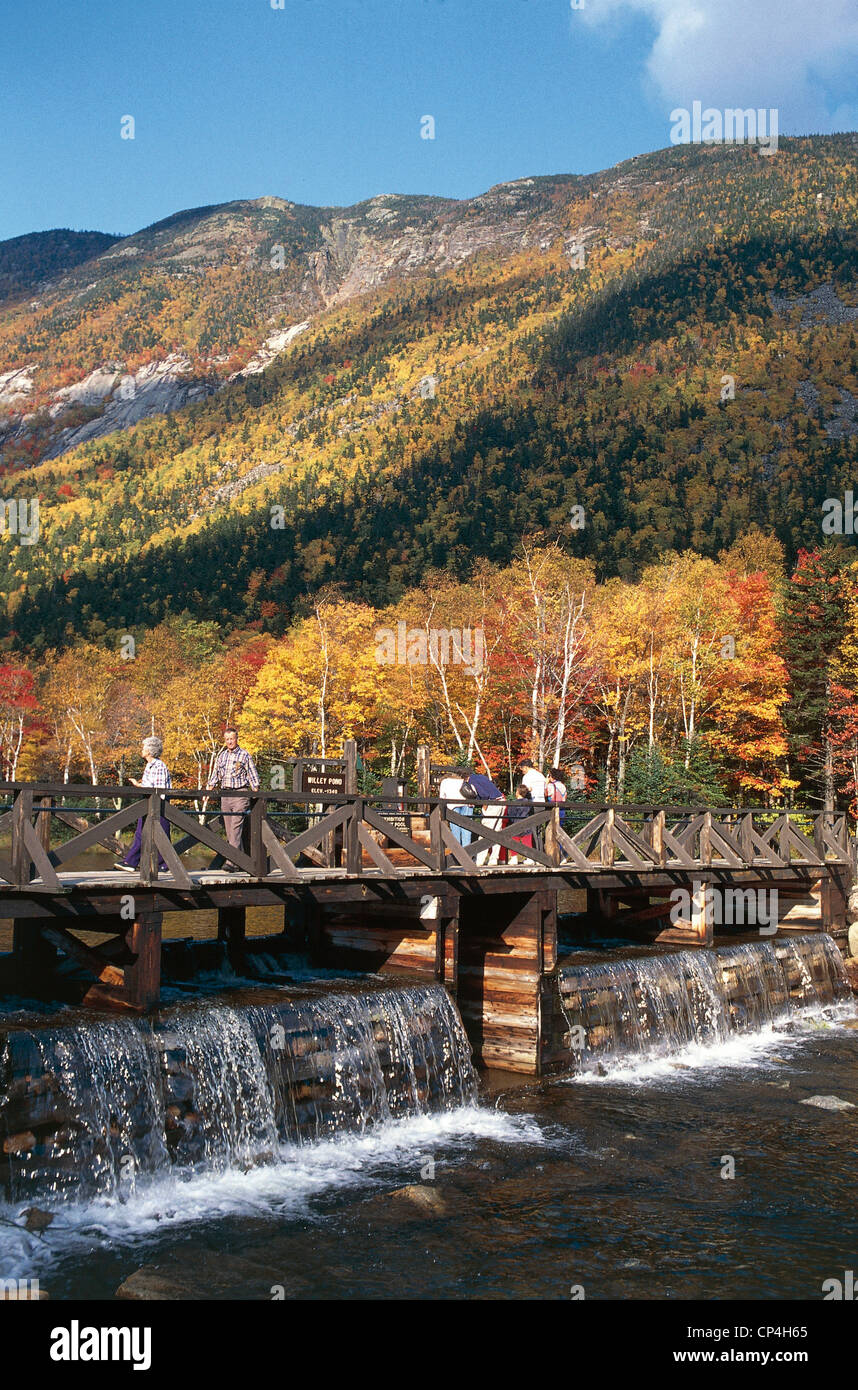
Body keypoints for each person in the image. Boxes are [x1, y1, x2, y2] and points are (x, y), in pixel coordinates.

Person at [115, 736, 172, 873]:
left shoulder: (159, 766)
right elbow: (149, 787)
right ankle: (132, 862)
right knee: (141, 833)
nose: (142, 750)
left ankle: (163, 864)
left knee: (161, 835)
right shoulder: (149, 765)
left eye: (144, 747)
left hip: (159, 805)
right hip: (149, 804)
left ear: (150, 751)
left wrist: (142, 788)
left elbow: (159, 790)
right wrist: (138, 785)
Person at [206, 726, 260, 869]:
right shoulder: (222, 756)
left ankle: (231, 862)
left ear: (237, 739)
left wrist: (256, 795)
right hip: (225, 795)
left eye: (232, 739)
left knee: (235, 828)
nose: (230, 742)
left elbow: (253, 775)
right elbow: (215, 775)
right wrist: (208, 791)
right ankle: (242, 860)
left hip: (240, 795)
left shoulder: (244, 755)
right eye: (227, 739)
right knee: (230, 831)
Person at [466, 770, 506, 866]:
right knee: (496, 832)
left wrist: (483, 807)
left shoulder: (471, 781)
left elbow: (484, 795)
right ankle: (494, 859)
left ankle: (480, 860)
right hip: (501, 800)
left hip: (492, 804)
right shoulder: (480, 776)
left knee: (485, 832)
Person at [438, 769, 473, 847]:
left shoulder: (445, 782)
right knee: (467, 829)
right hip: (467, 804)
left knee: (455, 830)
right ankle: (467, 853)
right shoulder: (460, 780)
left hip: (453, 806)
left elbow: (442, 798)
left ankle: (457, 853)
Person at [505, 785, 534, 864]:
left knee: (514, 841)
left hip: (515, 824)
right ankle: (530, 858)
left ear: (517, 792)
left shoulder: (513, 803)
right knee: (527, 842)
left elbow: (510, 814)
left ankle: (514, 857)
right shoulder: (529, 802)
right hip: (526, 825)